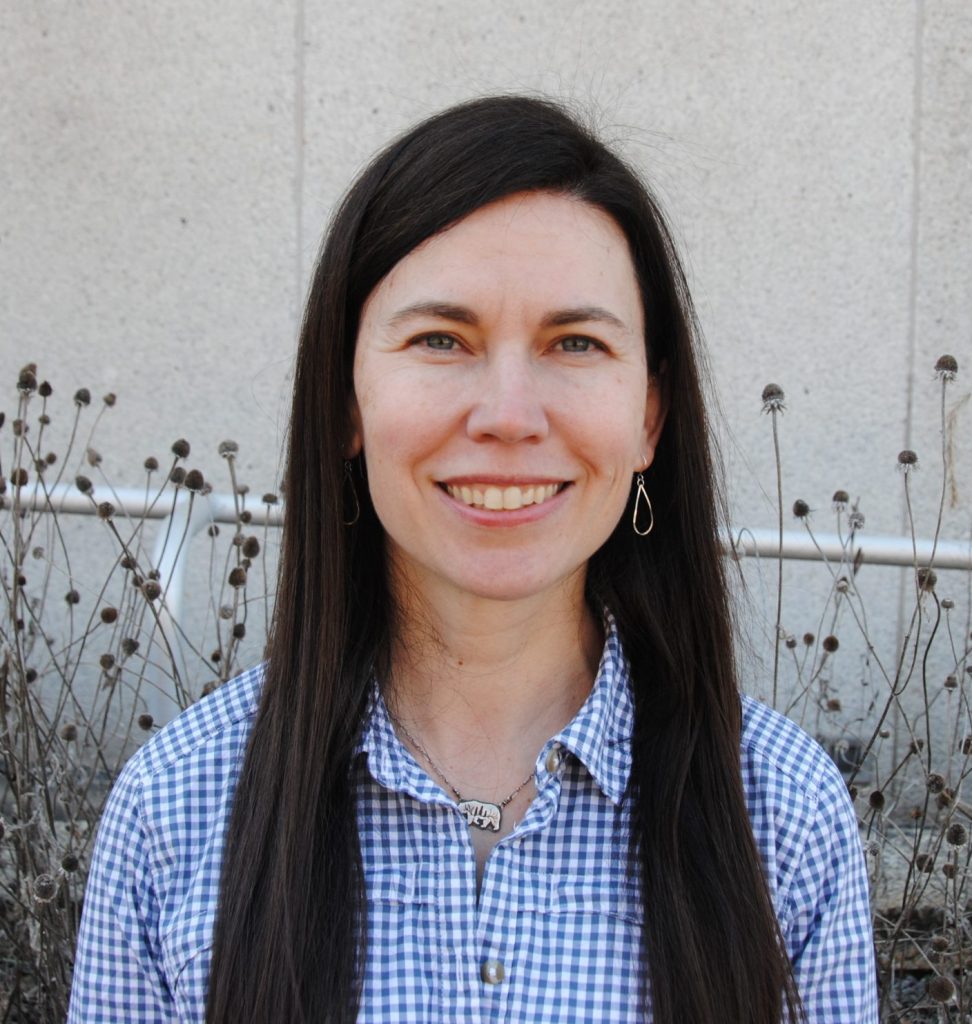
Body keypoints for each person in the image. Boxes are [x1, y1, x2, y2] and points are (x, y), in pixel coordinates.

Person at [68, 95, 877, 1023]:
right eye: (441, 340)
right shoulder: (175, 810)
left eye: (575, 343)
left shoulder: (782, 817)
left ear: (648, 415)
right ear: (347, 402)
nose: (508, 414)